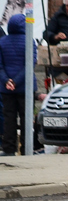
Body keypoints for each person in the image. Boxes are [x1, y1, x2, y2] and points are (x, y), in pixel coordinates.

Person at [0, 14, 37, 155]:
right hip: (25, 87)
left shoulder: (2, 42)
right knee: (26, 118)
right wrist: (16, 81)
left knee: (9, 119)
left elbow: (0, 66)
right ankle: (27, 149)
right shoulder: (29, 41)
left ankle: (9, 149)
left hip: (6, 88)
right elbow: (30, 65)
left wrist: (6, 81)